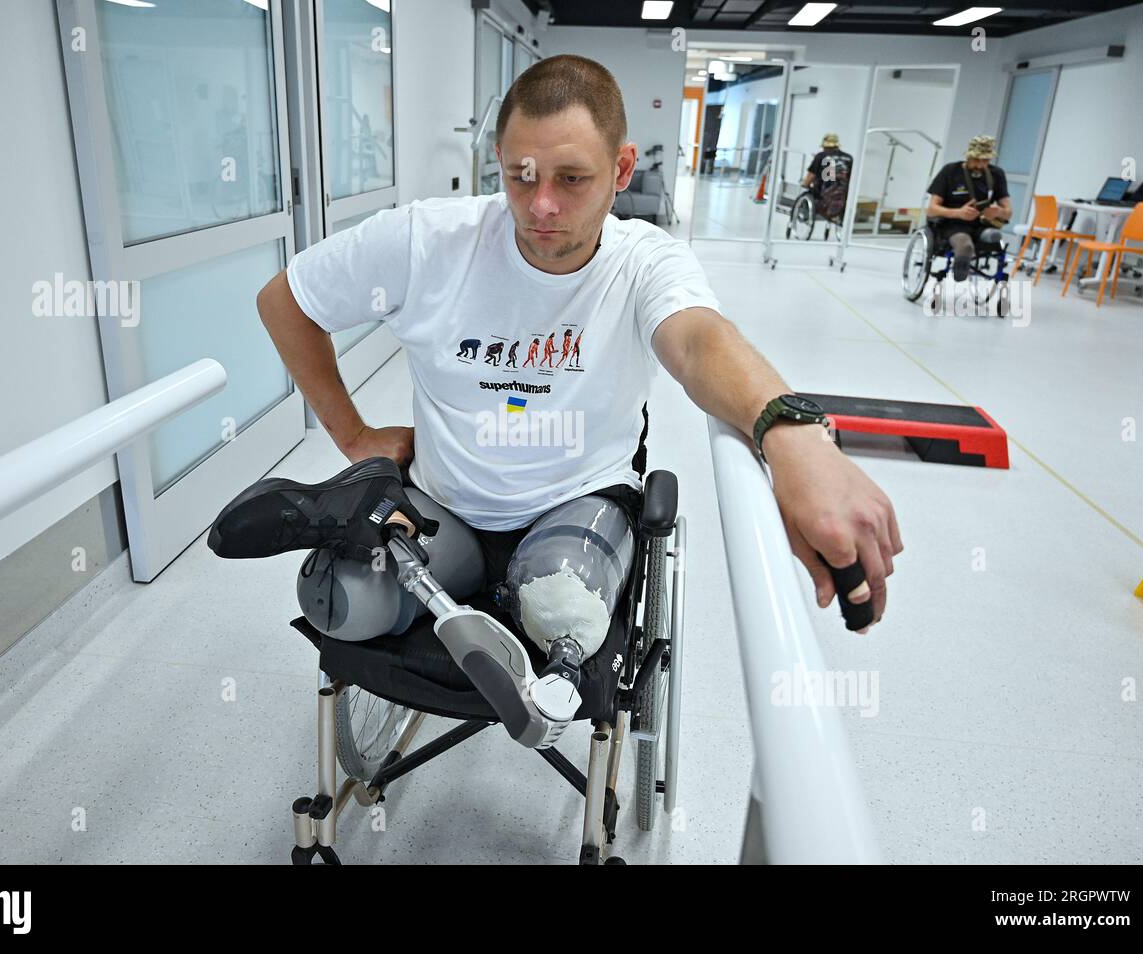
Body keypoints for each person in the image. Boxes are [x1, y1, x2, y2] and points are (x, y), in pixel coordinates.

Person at [249, 55, 902, 746]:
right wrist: (353, 436)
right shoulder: (426, 240)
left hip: (578, 500)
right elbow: (286, 301)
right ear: (499, 159)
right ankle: (474, 604)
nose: (542, 206)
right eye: (520, 176)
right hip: (446, 504)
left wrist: (790, 430)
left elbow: (698, 342)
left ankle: (530, 630)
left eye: (572, 179)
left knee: (561, 607)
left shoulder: (643, 260)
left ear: (621, 172)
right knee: (342, 600)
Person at [925, 135, 1012, 281]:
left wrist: (998, 212)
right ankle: (961, 267)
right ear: (969, 156)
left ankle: (982, 268)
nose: (979, 164)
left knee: (993, 238)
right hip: (953, 224)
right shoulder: (950, 171)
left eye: (985, 160)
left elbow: (1008, 213)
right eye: (976, 160)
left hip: (982, 224)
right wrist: (958, 213)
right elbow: (932, 209)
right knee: (964, 244)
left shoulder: (996, 174)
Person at [800, 133, 854, 223]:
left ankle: (805, 216)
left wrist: (804, 185)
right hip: (843, 196)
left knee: (807, 191)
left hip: (823, 195)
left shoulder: (821, 156)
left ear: (824, 146)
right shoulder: (849, 158)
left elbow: (811, 176)